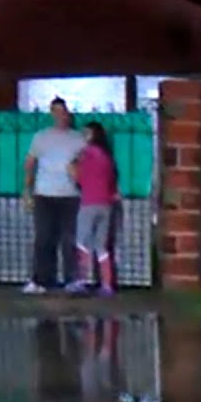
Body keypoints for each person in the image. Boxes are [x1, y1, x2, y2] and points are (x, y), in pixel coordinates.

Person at [22, 97, 87, 295]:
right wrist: (27, 190)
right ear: (51, 113)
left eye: (63, 111)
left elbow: (87, 165)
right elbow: (30, 163)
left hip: (71, 195)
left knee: (70, 239)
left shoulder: (78, 138)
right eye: (56, 111)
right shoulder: (40, 137)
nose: (61, 115)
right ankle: (41, 280)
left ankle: (72, 279)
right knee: (43, 238)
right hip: (44, 194)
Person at [66, 121, 119, 296]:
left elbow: (79, 177)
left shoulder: (86, 154)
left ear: (92, 135)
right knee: (101, 246)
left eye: (86, 133)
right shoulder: (107, 156)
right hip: (106, 204)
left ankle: (81, 281)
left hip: (89, 202)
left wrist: (72, 170)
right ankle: (107, 285)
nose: (83, 136)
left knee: (82, 242)